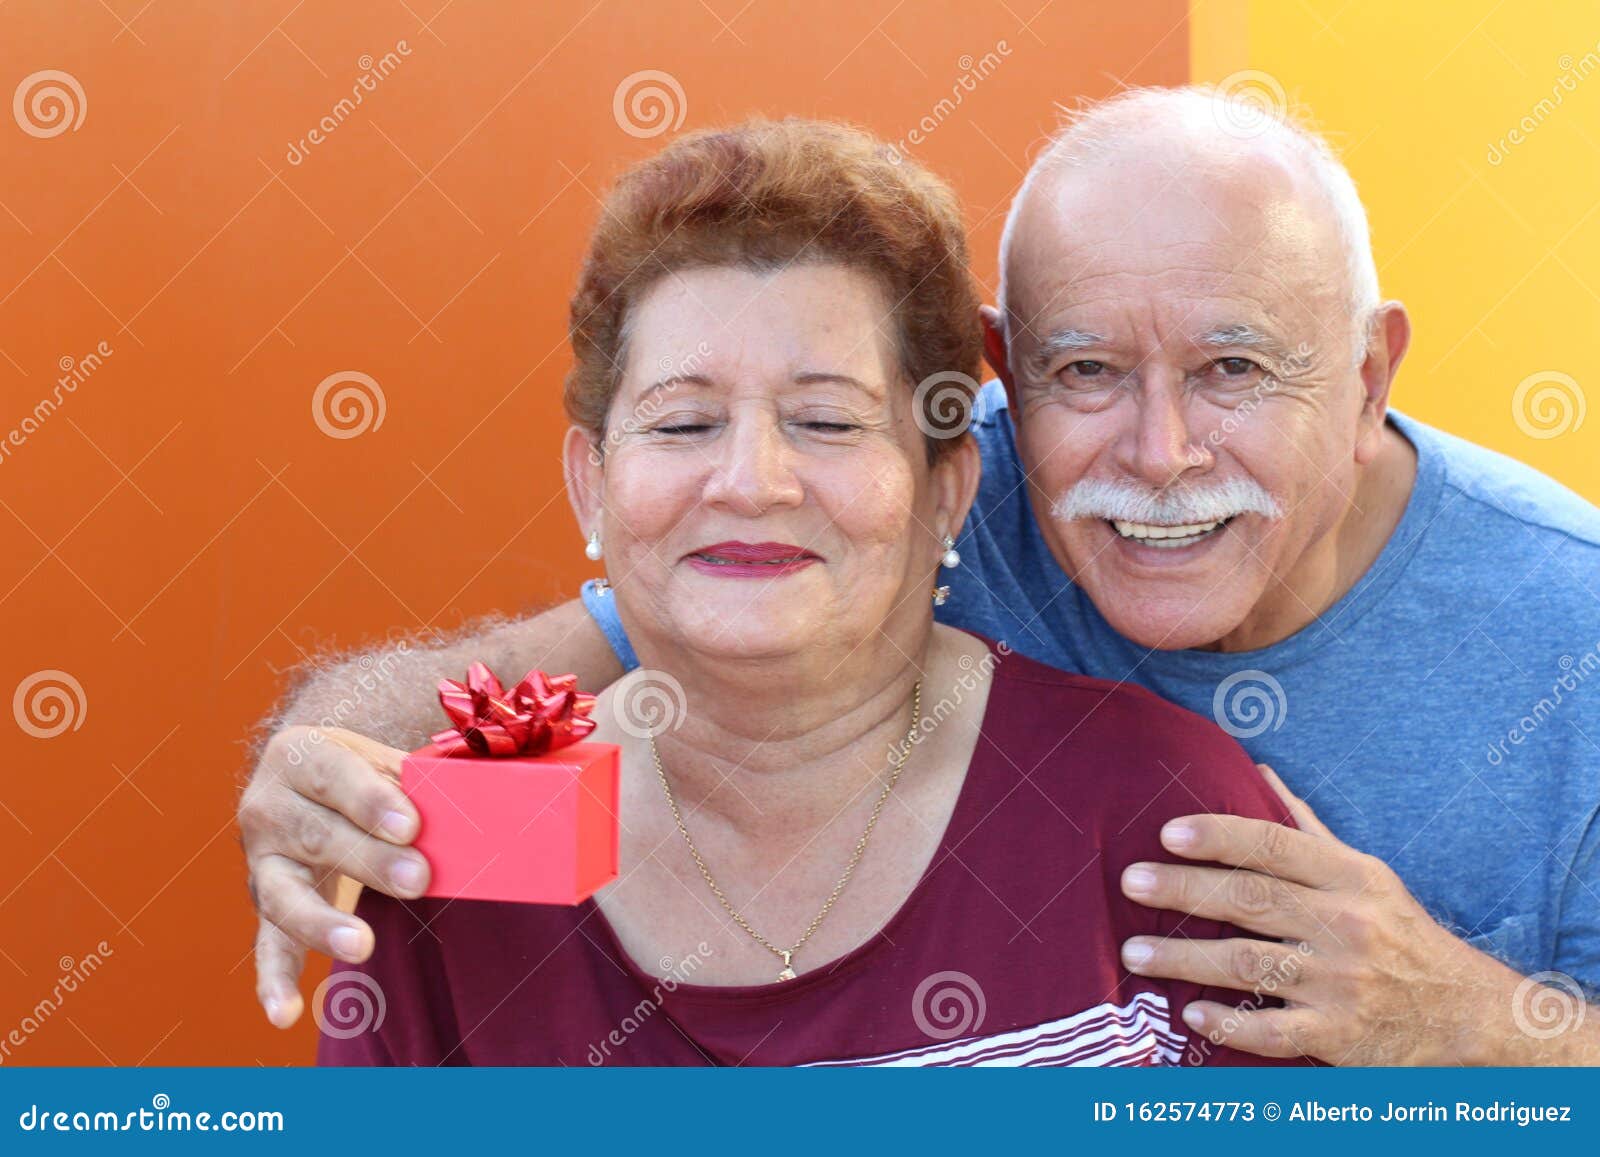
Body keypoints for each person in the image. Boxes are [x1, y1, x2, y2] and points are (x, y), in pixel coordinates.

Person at [246, 88, 1600, 1066]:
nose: (1161, 450)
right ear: (1007, 381)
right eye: (1084, 372)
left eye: (1236, 368)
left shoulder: (1571, 633)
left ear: (1368, 377)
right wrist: (333, 764)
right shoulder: (934, 494)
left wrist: (1479, 1025)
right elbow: (576, 653)